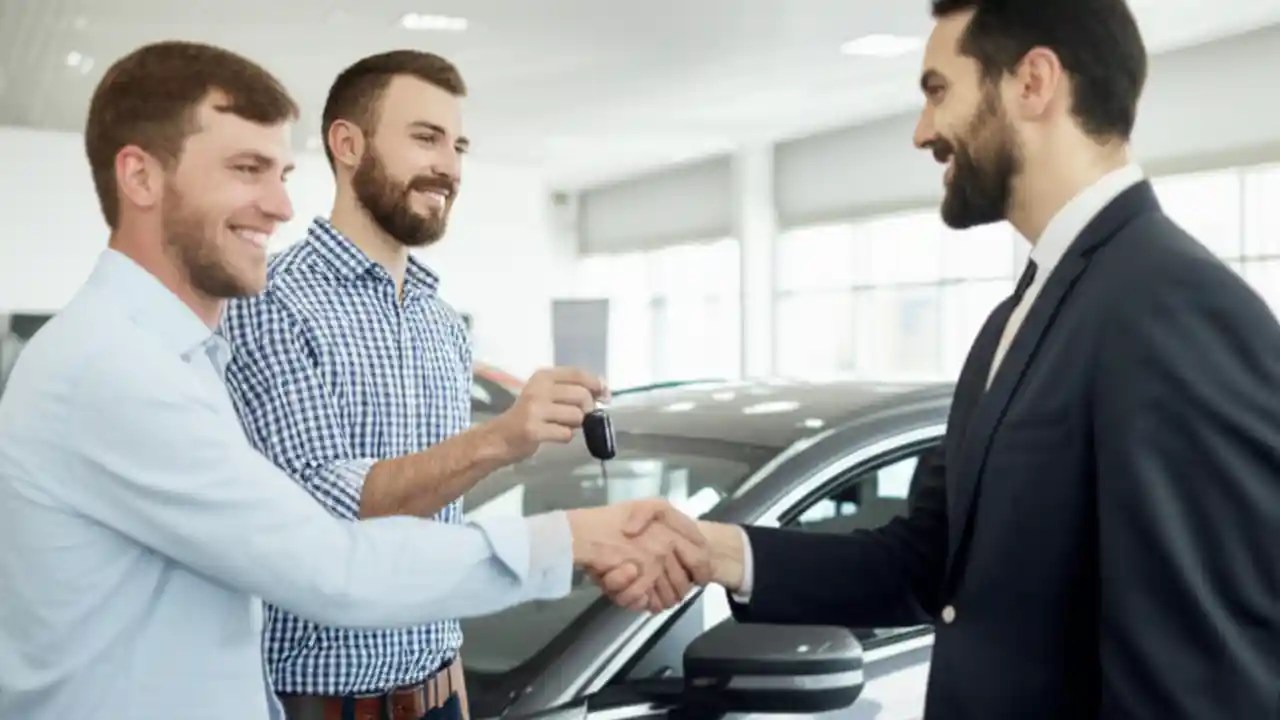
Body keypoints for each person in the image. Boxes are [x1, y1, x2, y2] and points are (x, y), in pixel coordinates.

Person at [0, 41, 708, 720]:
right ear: (141, 177)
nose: (280, 206)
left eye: (279, 174)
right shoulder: (119, 367)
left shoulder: (193, 353)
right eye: (247, 169)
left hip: (435, 683)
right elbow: (326, 558)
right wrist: (568, 533)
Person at [623, 1, 1280, 718]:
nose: (923, 131)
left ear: (1033, 82)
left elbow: (1205, 677)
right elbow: (930, 562)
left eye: (938, 91)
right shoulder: (1018, 316)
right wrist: (717, 552)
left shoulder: (1175, 307)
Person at [219, 50, 664, 720]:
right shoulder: (271, 301)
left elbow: (437, 507)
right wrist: (502, 438)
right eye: (425, 138)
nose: (451, 167)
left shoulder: (441, 325)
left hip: (440, 689)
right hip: (316, 701)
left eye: (458, 146)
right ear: (348, 144)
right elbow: (327, 511)